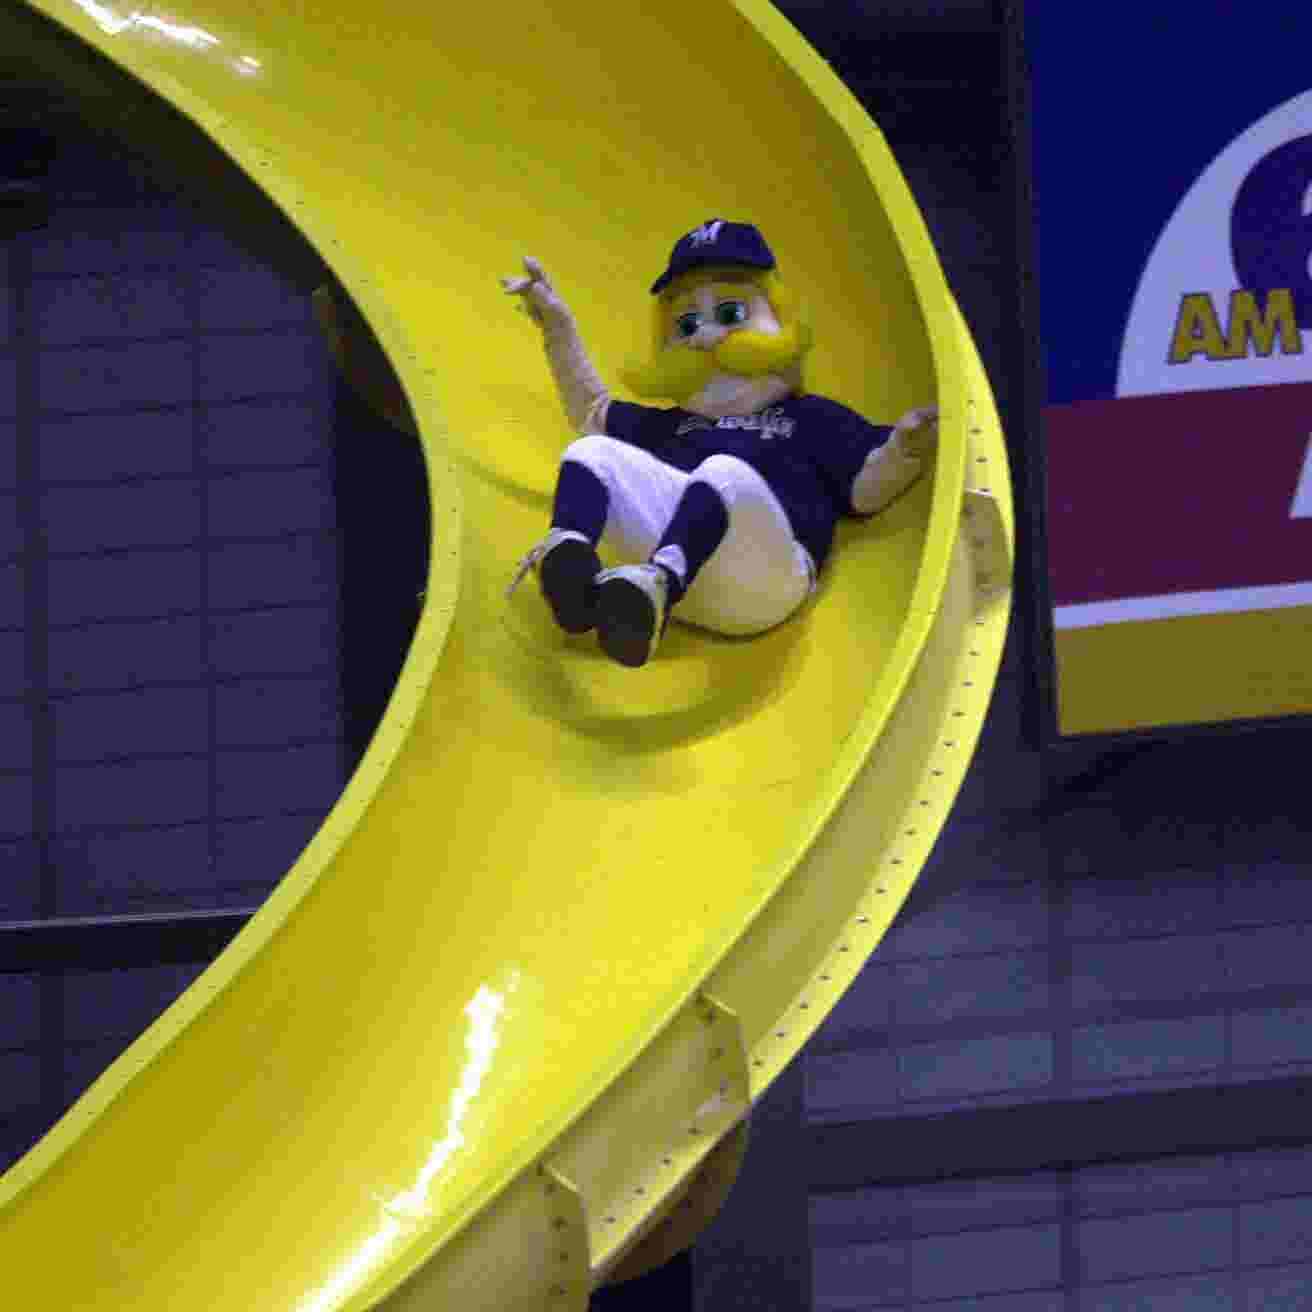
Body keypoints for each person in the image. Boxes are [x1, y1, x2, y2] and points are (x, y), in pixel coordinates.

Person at [503, 219, 937, 667]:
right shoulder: (676, 425)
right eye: (687, 324)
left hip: (766, 581)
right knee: (588, 452)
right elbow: (591, 411)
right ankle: (574, 570)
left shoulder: (809, 416)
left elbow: (864, 491)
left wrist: (905, 449)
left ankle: (658, 583)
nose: (707, 337)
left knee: (724, 471)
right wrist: (557, 328)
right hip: (678, 584)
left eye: (730, 314)